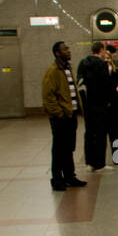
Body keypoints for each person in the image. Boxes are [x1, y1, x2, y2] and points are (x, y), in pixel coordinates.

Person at [41, 41, 87, 191]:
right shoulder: (53, 71)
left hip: (70, 115)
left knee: (68, 147)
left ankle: (69, 176)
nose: (69, 50)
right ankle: (57, 179)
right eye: (65, 49)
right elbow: (48, 96)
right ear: (57, 53)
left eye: (68, 48)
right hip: (61, 117)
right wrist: (58, 113)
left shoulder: (67, 68)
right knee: (59, 148)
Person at [76, 41, 111, 170]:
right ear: (101, 50)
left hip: (87, 105)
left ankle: (89, 163)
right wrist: (107, 101)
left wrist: (84, 102)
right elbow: (106, 85)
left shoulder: (82, 63)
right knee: (101, 133)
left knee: (89, 133)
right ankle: (100, 163)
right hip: (100, 105)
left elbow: (79, 83)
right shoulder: (102, 64)